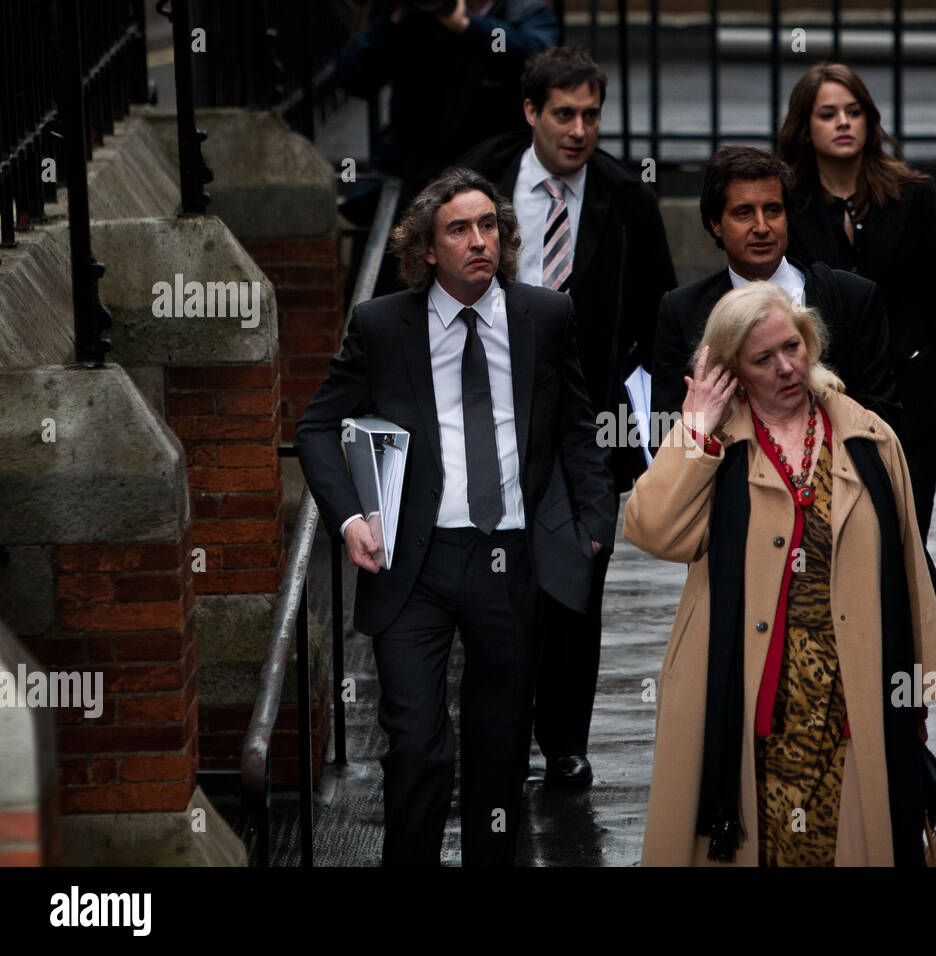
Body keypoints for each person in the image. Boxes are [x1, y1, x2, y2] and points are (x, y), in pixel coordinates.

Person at [294, 167, 615, 866]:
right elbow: (316, 428)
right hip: (416, 561)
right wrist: (350, 518)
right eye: (459, 229)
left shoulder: (546, 317)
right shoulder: (382, 325)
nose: (479, 241)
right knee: (415, 740)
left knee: (500, 750)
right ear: (427, 249)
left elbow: (577, 431)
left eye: (489, 226)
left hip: (513, 559)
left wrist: (592, 525)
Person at [626, 281, 936, 866]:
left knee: (848, 842)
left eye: (793, 347)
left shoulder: (870, 438)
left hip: (850, 688)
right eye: (763, 358)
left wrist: (919, 693)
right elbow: (653, 530)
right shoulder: (716, 446)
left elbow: (908, 565)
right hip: (749, 696)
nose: (785, 367)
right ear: (731, 372)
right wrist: (694, 429)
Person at [459, 47, 677, 788]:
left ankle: (564, 744)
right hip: (489, 419)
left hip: (591, 432)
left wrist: (652, 423)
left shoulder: (626, 198)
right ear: (530, 112)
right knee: (498, 585)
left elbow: (663, 315)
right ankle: (502, 740)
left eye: (591, 114)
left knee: (576, 586)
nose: (579, 130)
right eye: (563, 114)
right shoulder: (478, 182)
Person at [778, 62, 936, 540]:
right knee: (833, 545)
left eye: (853, 112)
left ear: (869, 121)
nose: (843, 122)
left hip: (910, 408)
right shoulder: (788, 205)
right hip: (822, 405)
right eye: (828, 114)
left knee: (901, 543)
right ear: (804, 127)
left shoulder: (912, 198)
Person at [651, 146, 900, 439]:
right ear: (716, 224)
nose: (761, 227)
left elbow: (881, 417)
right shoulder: (682, 311)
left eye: (773, 210)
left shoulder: (853, 297)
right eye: (744, 213)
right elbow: (667, 433)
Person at [336, 0, 558, 198]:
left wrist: (468, 26)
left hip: (494, 177)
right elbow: (353, 79)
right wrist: (392, 22)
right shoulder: (416, 16)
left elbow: (537, 65)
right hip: (416, 176)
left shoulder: (522, 11)